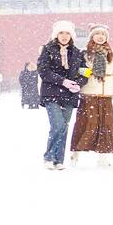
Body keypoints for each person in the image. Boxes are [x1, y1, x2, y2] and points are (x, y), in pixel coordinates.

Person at [69, 24, 113, 166]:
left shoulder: (112, 54)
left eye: (103, 34)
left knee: (106, 127)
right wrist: (87, 72)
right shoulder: (84, 53)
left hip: (106, 96)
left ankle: (103, 157)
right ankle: (75, 154)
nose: (100, 36)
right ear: (92, 37)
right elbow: (76, 70)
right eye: (97, 34)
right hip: (88, 95)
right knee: (85, 125)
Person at [38, 21, 88, 170]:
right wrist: (63, 81)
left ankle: (58, 160)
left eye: (67, 33)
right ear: (56, 35)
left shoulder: (78, 53)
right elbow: (44, 71)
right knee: (57, 125)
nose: (64, 36)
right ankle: (49, 156)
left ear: (71, 35)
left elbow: (85, 72)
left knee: (64, 127)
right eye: (61, 33)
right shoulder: (47, 50)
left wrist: (78, 83)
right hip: (51, 94)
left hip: (69, 95)